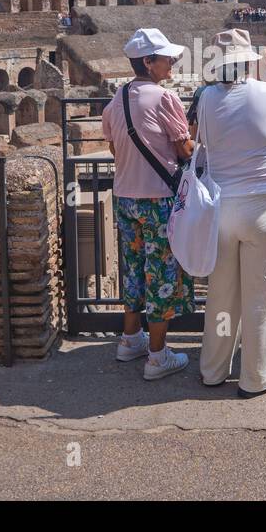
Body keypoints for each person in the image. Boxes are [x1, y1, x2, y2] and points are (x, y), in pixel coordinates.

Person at [195, 29, 266, 397]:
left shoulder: (204, 97)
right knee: (263, 295)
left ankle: (213, 370)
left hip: (222, 207)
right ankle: (256, 377)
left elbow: (200, 142)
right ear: (248, 61)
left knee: (221, 293)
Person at [100, 28, 195, 379]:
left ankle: (130, 341)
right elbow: (184, 148)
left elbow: (113, 149)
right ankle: (157, 357)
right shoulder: (164, 98)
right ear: (148, 62)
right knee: (162, 274)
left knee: (134, 268)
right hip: (159, 199)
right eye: (166, 58)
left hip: (126, 197)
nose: (172, 62)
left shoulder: (116, 99)